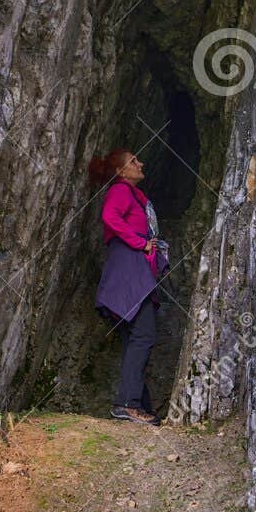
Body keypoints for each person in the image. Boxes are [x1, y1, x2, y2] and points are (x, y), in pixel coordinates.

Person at [87, 148, 164, 425]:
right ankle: (127, 404)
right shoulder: (120, 191)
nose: (140, 163)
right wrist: (140, 242)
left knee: (135, 339)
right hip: (130, 274)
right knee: (143, 335)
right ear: (121, 171)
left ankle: (140, 406)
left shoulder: (134, 195)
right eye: (133, 161)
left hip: (130, 274)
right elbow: (110, 217)